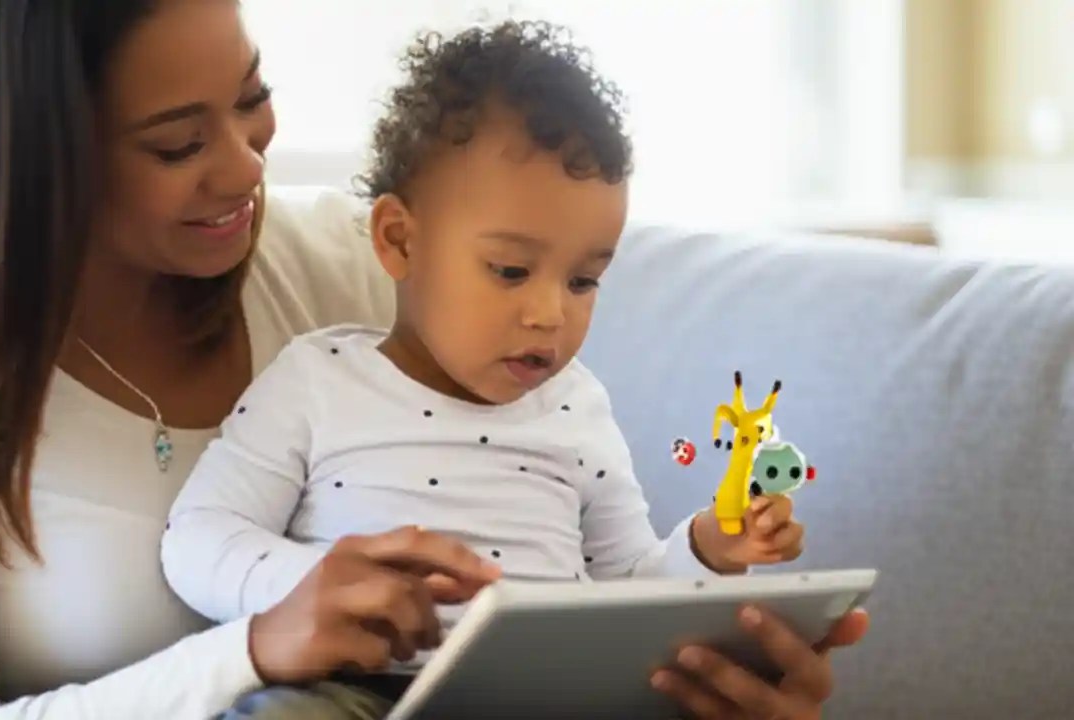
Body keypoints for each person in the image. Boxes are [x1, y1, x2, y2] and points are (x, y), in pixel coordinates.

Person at [0, 1, 868, 718]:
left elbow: (606, 567)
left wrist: (706, 649)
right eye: (176, 143)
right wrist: (253, 647)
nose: (243, 163)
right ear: (33, 156)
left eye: (251, 99)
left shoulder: (357, 274)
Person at [160, 20, 807, 718]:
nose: (550, 313)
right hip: (357, 691)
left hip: (543, 696)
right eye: (510, 270)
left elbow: (628, 584)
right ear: (399, 240)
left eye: (584, 281)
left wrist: (706, 550)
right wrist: (320, 585)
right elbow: (199, 538)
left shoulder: (578, 409)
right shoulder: (318, 379)